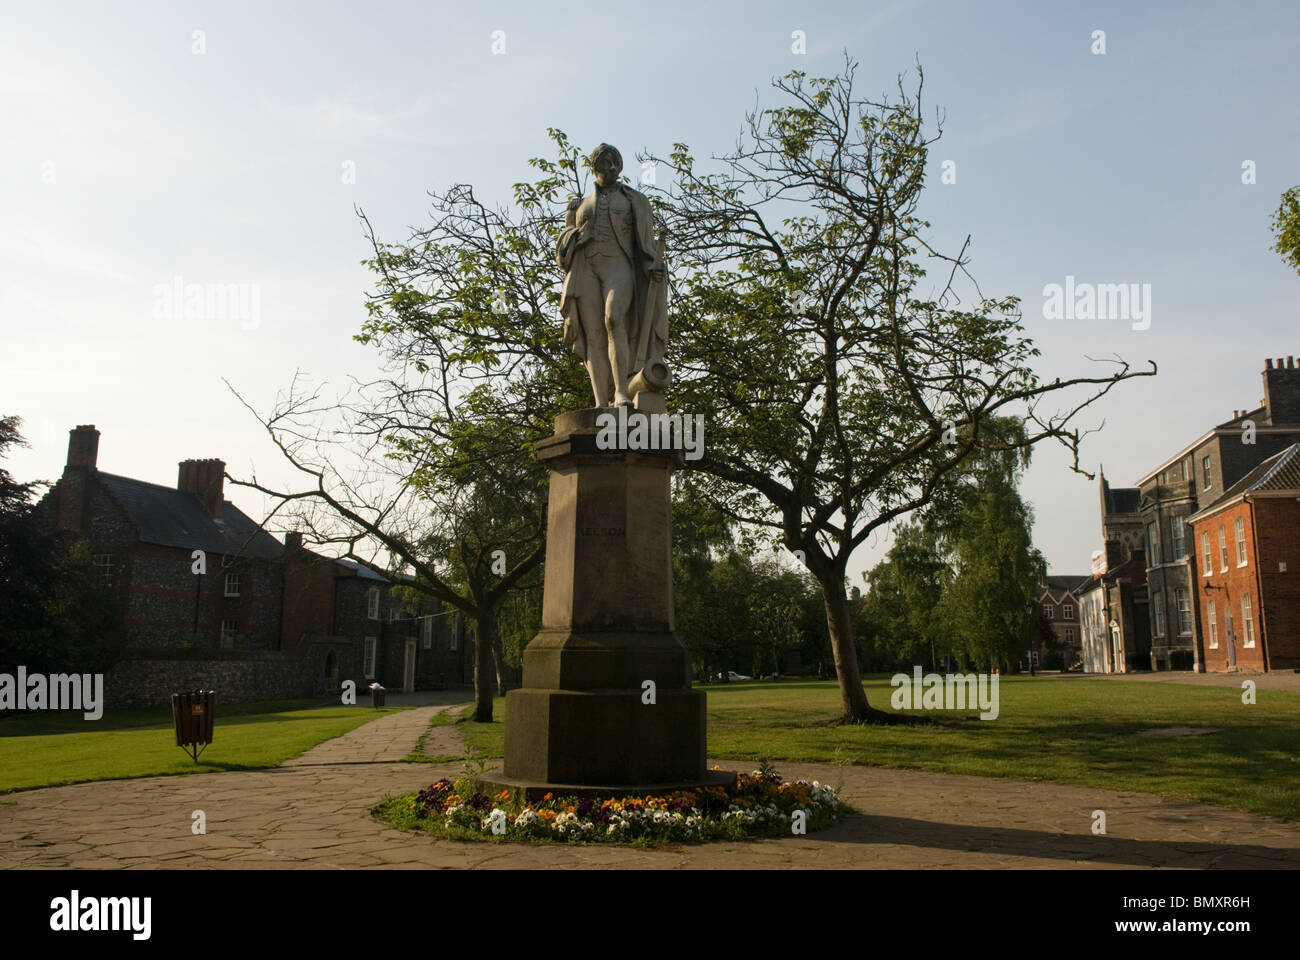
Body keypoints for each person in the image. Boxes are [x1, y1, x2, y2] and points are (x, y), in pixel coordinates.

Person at [556, 143, 667, 407]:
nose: (613, 167)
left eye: (617, 162)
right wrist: (574, 234)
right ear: (594, 166)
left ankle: (620, 392)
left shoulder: (635, 200)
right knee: (593, 334)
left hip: (620, 267)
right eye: (606, 162)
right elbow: (562, 251)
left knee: (614, 317)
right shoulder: (578, 205)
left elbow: (645, 244)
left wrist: (653, 264)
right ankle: (600, 403)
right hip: (586, 269)